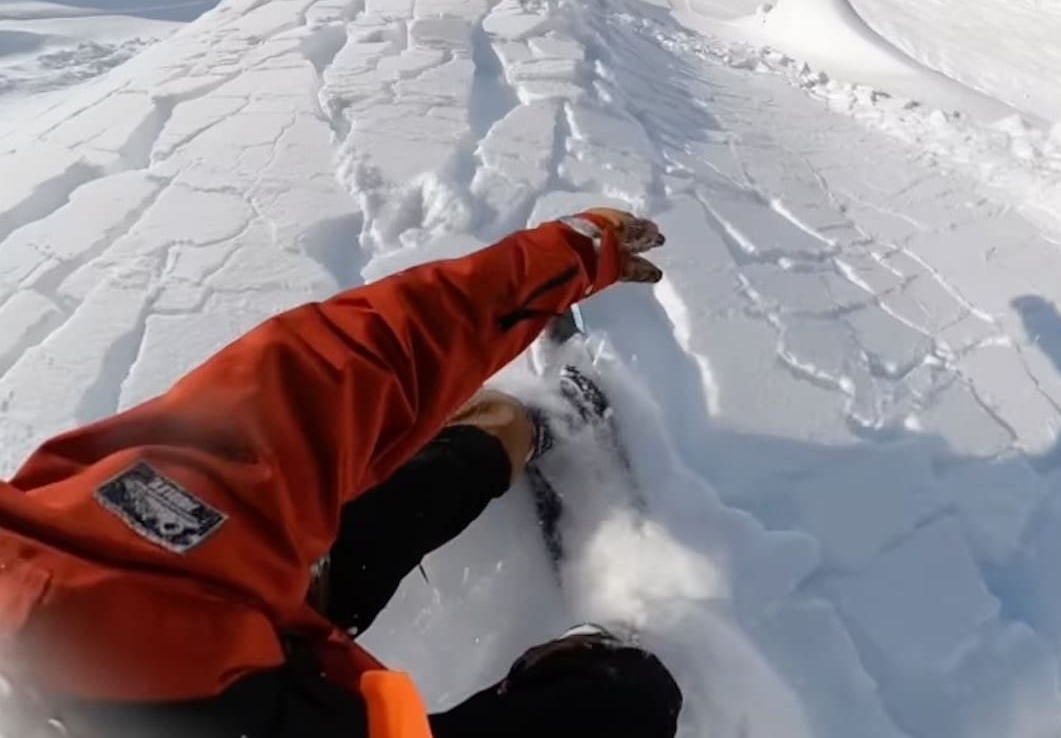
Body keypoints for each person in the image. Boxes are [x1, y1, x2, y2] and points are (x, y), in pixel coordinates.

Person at [0, 209, 682, 737]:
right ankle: (599, 669)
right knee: (628, 698)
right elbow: (328, 374)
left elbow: (329, 377)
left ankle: (504, 434)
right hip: (236, 682)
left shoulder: (108, 564)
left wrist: (559, 259)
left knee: (348, 544)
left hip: (211, 641)